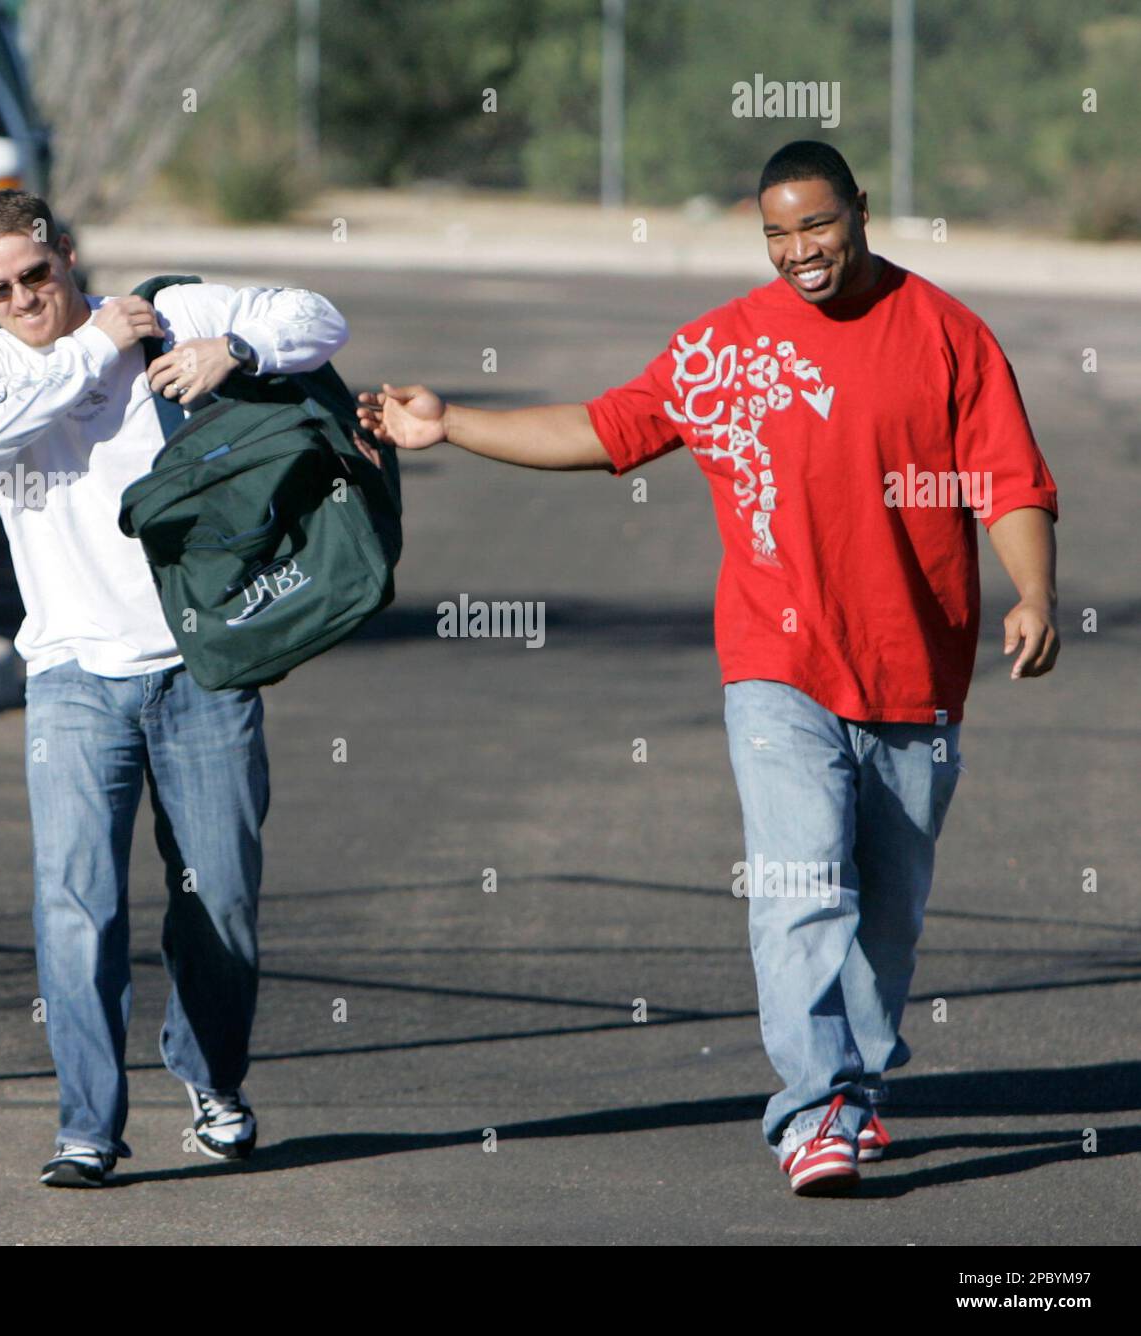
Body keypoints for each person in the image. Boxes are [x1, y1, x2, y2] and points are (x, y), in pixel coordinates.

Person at [357, 141, 1060, 1196]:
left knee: (886, 912)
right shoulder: (725, 347)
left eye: (814, 226)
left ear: (858, 211)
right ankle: (811, 1108)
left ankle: (856, 1090)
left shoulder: (945, 334)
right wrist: (451, 422)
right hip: (776, 665)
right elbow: (604, 429)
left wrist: (1036, 594)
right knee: (799, 883)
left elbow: (1005, 481)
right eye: (775, 234)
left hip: (915, 671)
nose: (798, 252)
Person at [0, 189, 350, 1188]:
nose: (26, 300)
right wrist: (96, 348)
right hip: (71, 674)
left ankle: (213, 1082)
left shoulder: (166, 311)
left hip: (199, 665)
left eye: (38, 274)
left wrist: (234, 352)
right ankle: (88, 1124)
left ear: (67, 254)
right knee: (76, 906)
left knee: (222, 900)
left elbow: (320, 318)